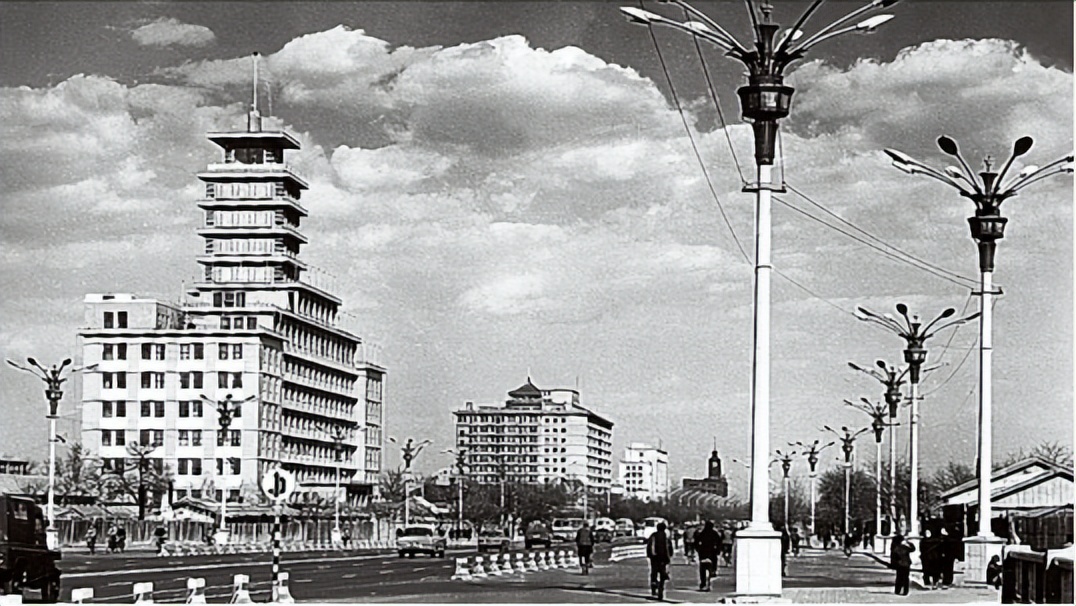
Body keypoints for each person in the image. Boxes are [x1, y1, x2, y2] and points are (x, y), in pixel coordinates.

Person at [646, 522, 674, 598]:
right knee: (662, 573)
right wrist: (669, 556)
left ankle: (654, 585)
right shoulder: (666, 537)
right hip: (663, 558)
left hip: (654, 558)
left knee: (654, 572)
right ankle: (661, 589)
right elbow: (669, 548)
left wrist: (649, 555)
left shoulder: (653, 536)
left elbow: (649, 546)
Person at [694, 521, 721, 591]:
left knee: (702, 569)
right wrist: (718, 550)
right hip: (712, 553)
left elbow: (696, 542)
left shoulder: (702, 533)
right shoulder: (714, 533)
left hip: (703, 553)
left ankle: (703, 583)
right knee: (712, 567)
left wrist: (698, 550)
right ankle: (712, 574)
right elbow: (719, 542)